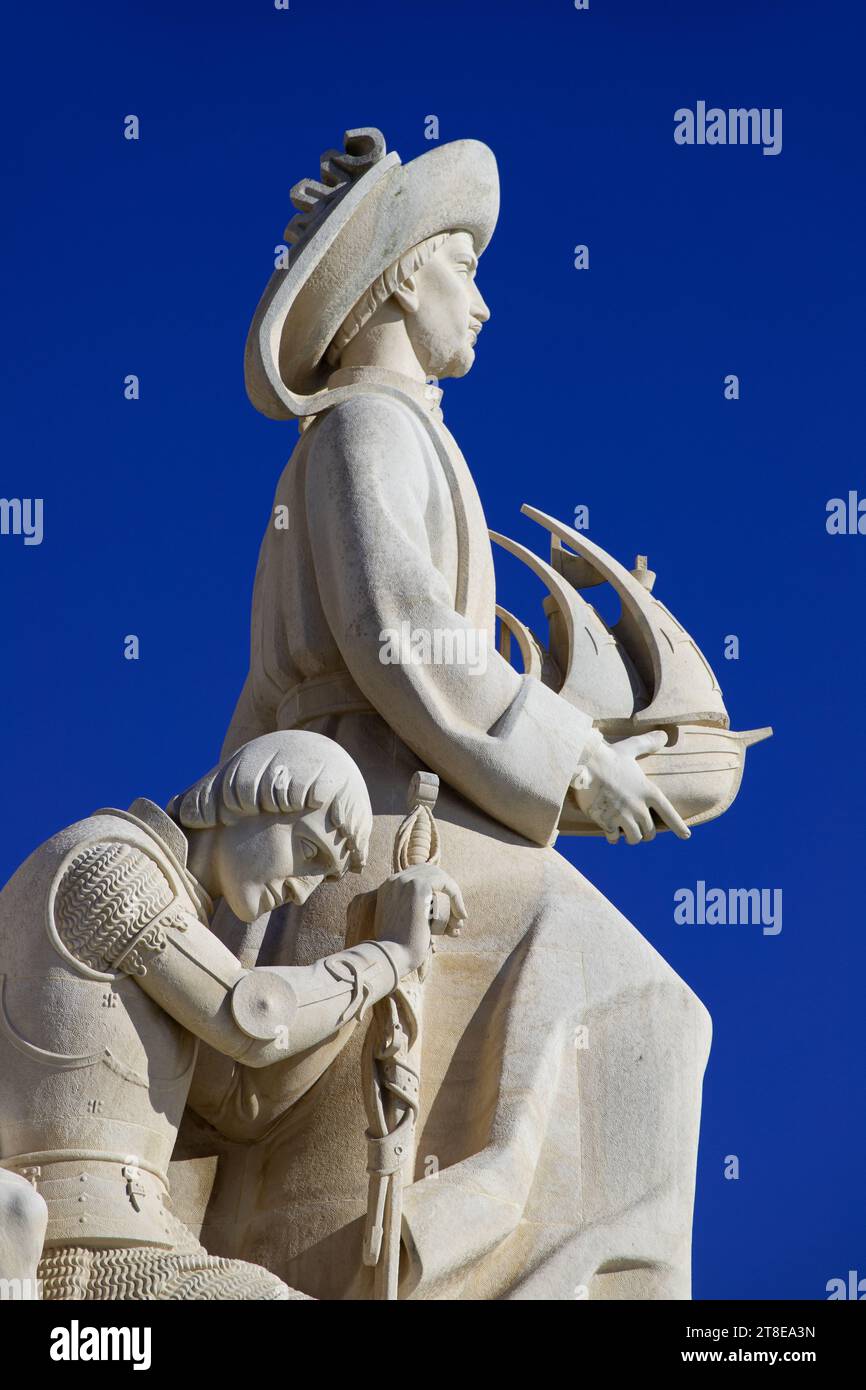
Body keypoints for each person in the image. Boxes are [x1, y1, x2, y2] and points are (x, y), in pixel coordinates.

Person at [205, 128, 712, 1300]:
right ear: (400, 280)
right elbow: (401, 640)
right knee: (636, 997)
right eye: (463, 269)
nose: (481, 304)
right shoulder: (363, 427)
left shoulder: (396, 433)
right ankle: (497, 1246)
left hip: (398, 796)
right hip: (365, 815)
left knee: (641, 1006)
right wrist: (574, 762)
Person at [0, 730, 462, 1299]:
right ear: (253, 796)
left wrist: (360, 949)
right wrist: (392, 953)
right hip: (86, 1253)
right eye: (309, 850)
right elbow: (254, 1020)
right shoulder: (111, 862)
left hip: (137, 1243)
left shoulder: (167, 916)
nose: (302, 888)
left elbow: (239, 1103)